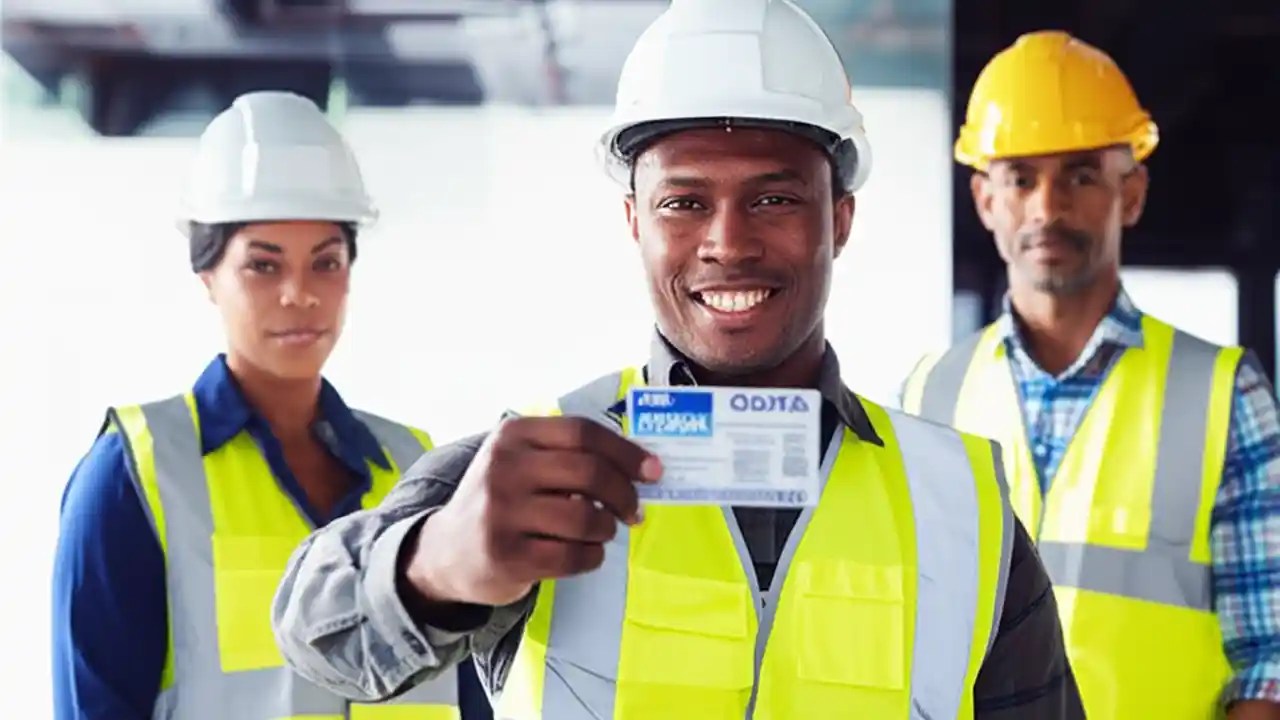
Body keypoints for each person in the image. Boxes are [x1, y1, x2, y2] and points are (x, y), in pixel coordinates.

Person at [268, 2, 1085, 718]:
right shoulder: (537, 468)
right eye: (684, 203)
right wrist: (435, 564)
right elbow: (315, 629)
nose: (727, 243)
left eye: (774, 199)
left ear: (839, 219)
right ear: (635, 221)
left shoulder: (958, 510)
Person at [898, 30, 1280, 720]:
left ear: (1130, 193)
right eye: (1021, 178)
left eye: (1079, 175)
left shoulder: (1227, 396)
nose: (1047, 207)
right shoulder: (929, 394)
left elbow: (1269, 663)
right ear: (986, 200)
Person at [50, 90, 466, 720]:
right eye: (263, 267)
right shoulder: (136, 473)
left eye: (325, 263)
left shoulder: (417, 468)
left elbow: (470, 692)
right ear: (207, 276)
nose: (299, 294)